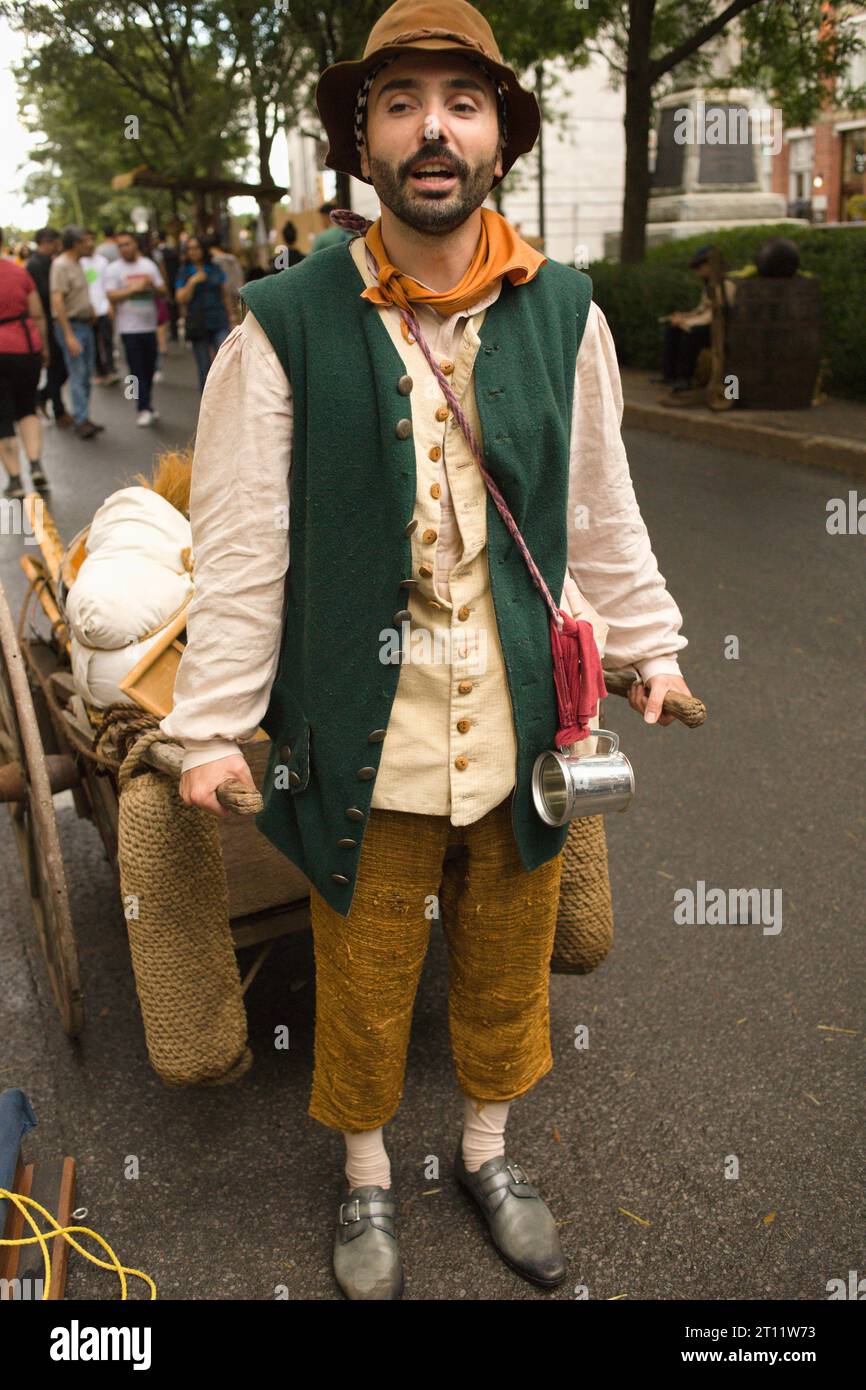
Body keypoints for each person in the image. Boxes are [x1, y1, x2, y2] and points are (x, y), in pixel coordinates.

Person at [160, 0, 692, 1301]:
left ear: (499, 136)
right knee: (365, 970)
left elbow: (596, 505)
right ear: (364, 139)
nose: (431, 129)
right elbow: (242, 547)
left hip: (521, 731)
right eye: (399, 103)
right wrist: (214, 723)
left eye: (460, 102)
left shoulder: (564, 310)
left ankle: (487, 1153)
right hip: (362, 736)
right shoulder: (279, 322)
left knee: (506, 967)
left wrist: (650, 646)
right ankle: (364, 1177)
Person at [0, 226, 50, 497]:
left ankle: (16, 481)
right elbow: (38, 314)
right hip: (24, 346)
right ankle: (35, 465)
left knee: (2, 418)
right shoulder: (20, 272)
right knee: (27, 408)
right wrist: (43, 349)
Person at [103, 229, 167, 427]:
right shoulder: (113, 269)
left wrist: (151, 287)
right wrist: (132, 290)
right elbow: (111, 295)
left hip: (149, 325)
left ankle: (148, 403)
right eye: (120, 245)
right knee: (136, 369)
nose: (124, 249)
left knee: (149, 368)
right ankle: (142, 407)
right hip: (128, 328)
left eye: (127, 244)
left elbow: (162, 290)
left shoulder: (148, 265)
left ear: (135, 244)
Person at [49, 225, 103, 439]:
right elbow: (57, 300)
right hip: (72, 327)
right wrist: (68, 334)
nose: (91, 244)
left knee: (86, 372)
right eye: (87, 240)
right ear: (76, 244)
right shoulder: (61, 265)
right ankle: (81, 419)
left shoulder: (78, 263)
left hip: (85, 324)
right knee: (78, 373)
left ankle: (85, 416)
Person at [174, 234, 235, 392]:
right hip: (198, 323)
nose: (193, 252)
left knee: (226, 361)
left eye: (196, 248)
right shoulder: (184, 271)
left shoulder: (215, 268)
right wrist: (192, 282)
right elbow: (180, 298)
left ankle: (226, 398)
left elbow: (225, 294)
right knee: (204, 367)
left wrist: (232, 318)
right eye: (189, 249)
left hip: (219, 319)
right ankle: (207, 404)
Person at [26, 227, 73, 428]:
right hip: (47, 323)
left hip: (54, 322)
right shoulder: (35, 265)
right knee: (56, 368)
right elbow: (44, 296)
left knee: (61, 368)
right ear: (48, 241)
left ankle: (43, 396)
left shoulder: (49, 262)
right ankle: (58, 410)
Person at [655, 245, 716, 391]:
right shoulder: (709, 285)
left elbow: (714, 314)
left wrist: (687, 322)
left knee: (691, 334)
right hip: (705, 323)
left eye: (700, 266)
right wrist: (684, 317)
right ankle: (670, 375)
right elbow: (702, 309)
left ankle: (685, 378)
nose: (698, 271)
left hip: (716, 329)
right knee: (673, 329)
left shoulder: (725, 284)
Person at [80, 229, 118, 386]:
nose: (89, 244)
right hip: (88, 311)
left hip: (103, 308)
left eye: (91, 240)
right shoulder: (79, 262)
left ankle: (111, 370)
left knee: (108, 340)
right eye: (85, 241)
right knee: (93, 344)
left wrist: (109, 305)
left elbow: (107, 286)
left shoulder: (102, 261)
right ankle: (100, 371)